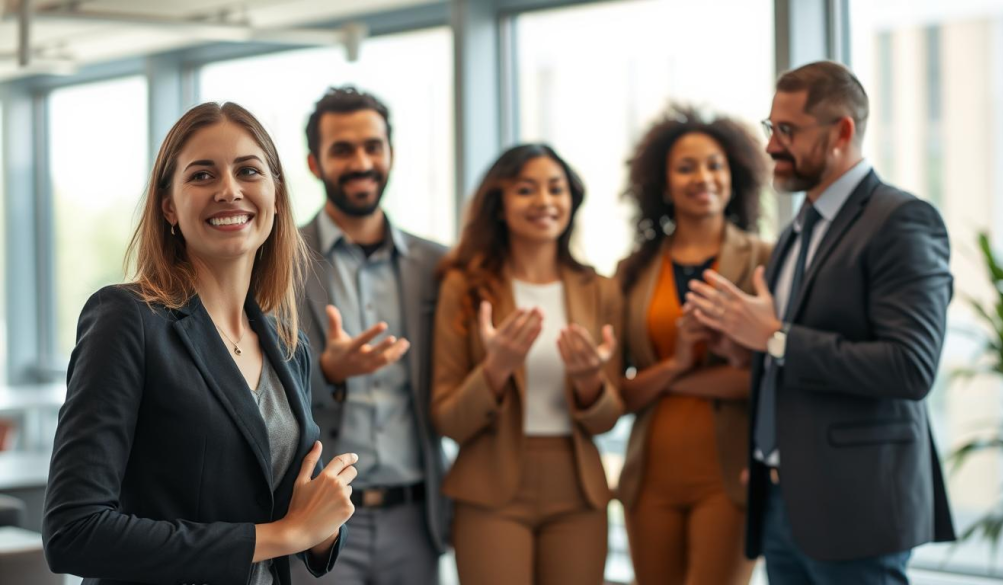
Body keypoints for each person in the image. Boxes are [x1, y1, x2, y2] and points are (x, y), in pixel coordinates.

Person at [42, 102, 356, 585]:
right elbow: (74, 532)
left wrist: (322, 531)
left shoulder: (289, 346)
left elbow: (288, 507)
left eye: (248, 171)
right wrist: (285, 534)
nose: (229, 190)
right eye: (202, 176)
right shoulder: (126, 319)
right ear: (168, 205)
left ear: (276, 196)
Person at [686, 60, 956, 584]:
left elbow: (910, 367)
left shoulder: (901, 220)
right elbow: (787, 354)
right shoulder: (797, 229)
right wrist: (742, 344)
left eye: (787, 131)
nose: (770, 147)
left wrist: (775, 338)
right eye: (771, 128)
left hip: (856, 510)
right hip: (784, 501)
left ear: (842, 132)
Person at [432, 143, 623, 585]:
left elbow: (609, 418)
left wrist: (590, 383)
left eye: (556, 188)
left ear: (572, 200)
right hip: (490, 488)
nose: (543, 201)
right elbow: (447, 418)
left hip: (577, 490)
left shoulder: (601, 290)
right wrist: (496, 370)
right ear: (499, 204)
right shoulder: (463, 286)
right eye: (525, 189)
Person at [292, 86, 449, 585]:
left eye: (372, 147)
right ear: (315, 164)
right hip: (319, 516)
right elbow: (254, 389)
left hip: (415, 517)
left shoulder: (437, 265)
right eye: (342, 150)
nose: (361, 162)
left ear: (391, 154)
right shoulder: (278, 264)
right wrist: (328, 372)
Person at [615, 105, 771, 585]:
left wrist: (670, 375)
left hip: (730, 479)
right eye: (686, 167)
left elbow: (765, 377)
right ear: (663, 185)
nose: (702, 177)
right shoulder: (633, 271)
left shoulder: (766, 259)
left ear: (734, 176)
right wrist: (678, 361)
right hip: (649, 479)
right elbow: (618, 394)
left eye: (714, 165)